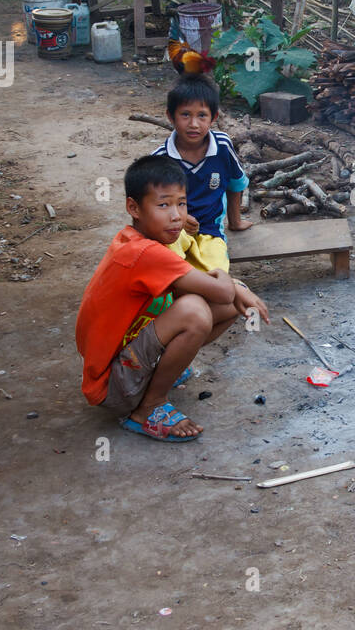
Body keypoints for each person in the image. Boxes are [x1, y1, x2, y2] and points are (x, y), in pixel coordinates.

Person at [76, 154, 269, 441]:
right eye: (163, 204)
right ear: (134, 207)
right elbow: (222, 289)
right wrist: (231, 281)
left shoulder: (141, 241)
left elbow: (201, 287)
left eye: (181, 203)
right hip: (112, 386)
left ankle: (158, 376)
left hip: (123, 363)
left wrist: (234, 288)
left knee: (223, 305)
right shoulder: (145, 253)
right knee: (194, 311)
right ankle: (148, 407)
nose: (177, 215)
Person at [152, 75, 252, 274]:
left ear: (214, 118)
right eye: (185, 115)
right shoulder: (160, 159)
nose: (194, 124)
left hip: (211, 231)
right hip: (173, 231)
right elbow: (154, 205)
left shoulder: (222, 147)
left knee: (215, 272)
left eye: (202, 115)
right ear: (171, 116)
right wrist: (179, 218)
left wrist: (235, 222)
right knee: (168, 267)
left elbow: (235, 184)